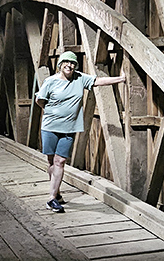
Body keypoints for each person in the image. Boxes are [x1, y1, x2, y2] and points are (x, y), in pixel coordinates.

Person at [35, 50, 126, 212]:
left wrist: (121, 79)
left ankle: (51, 199)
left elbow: (99, 81)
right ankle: (56, 193)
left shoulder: (79, 78)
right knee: (51, 161)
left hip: (69, 128)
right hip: (49, 127)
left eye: (73, 63)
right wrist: (52, 111)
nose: (69, 65)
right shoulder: (50, 81)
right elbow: (40, 100)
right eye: (66, 62)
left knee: (60, 161)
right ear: (60, 64)